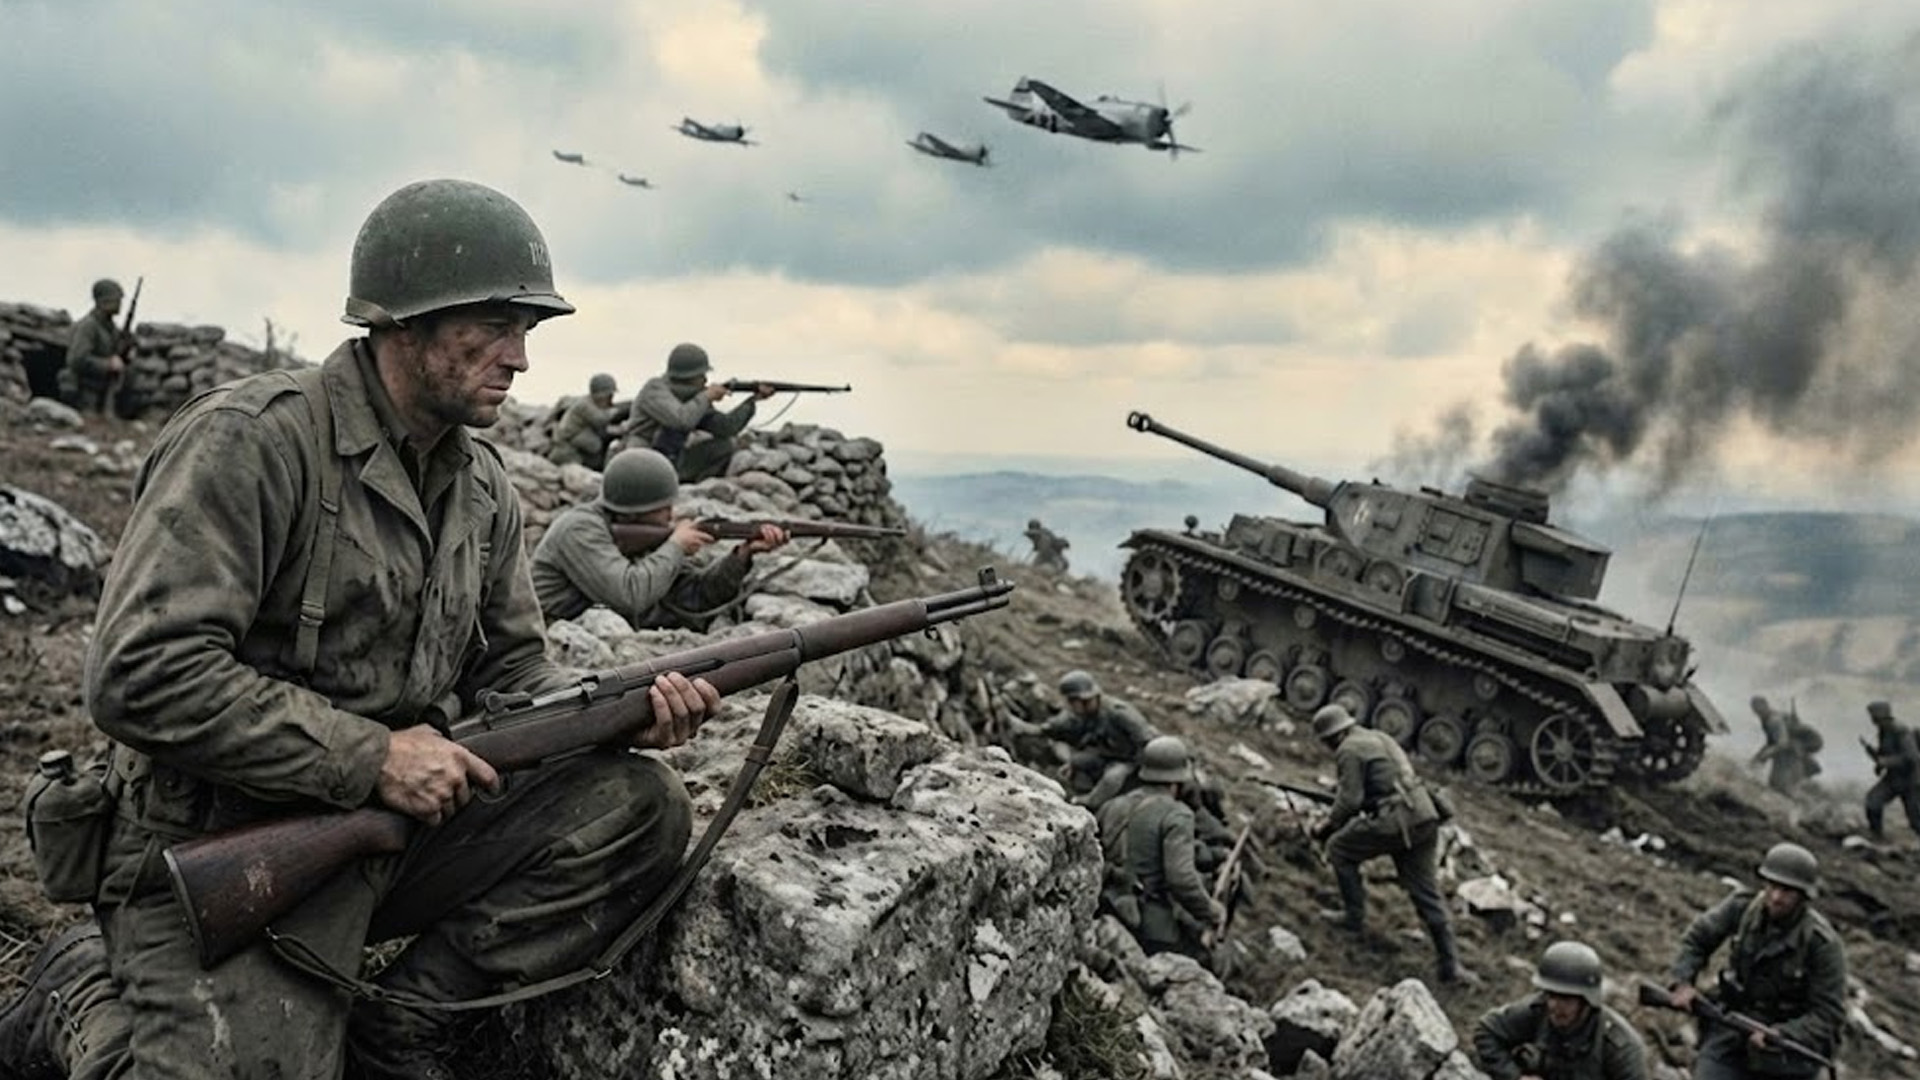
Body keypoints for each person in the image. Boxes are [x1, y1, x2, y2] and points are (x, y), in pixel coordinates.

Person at [0, 178, 727, 1080]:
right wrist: (373, 758)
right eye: (495, 326)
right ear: (403, 323)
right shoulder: (255, 444)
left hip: (393, 832)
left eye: (527, 332)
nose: (520, 359)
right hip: (217, 846)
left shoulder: (483, 487)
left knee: (638, 810)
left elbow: (515, 672)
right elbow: (141, 673)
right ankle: (81, 994)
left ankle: (405, 1024)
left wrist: (625, 709)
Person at [530, 446, 789, 631]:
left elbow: (696, 597)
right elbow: (629, 596)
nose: (672, 514)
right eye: (664, 507)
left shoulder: (639, 534)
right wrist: (676, 547)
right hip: (545, 633)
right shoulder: (579, 529)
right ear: (636, 511)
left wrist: (742, 555)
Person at [1308, 703, 1476, 986]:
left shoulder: (1348, 749)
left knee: (1338, 849)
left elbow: (1350, 801)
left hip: (1395, 822)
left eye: (1327, 742)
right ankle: (1451, 967)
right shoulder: (1379, 737)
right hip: (1424, 816)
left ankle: (1353, 917)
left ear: (1334, 736)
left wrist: (1325, 827)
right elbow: (1382, 782)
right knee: (1427, 894)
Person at [1664, 842, 1846, 1079]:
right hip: (1732, 1029)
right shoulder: (1742, 908)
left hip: (1786, 1054)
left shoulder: (1822, 945)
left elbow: (1828, 1015)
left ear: (1803, 896)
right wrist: (1683, 982)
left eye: (1787, 891)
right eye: (1772, 886)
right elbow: (1697, 938)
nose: (1776, 897)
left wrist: (1783, 1034)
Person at [1094, 736, 1227, 966]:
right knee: (1205, 961)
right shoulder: (1177, 814)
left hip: (1106, 911)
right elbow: (1181, 880)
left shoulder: (1112, 805)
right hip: (1151, 929)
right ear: (1179, 780)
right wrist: (1212, 911)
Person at [1473, 940, 1649, 1080]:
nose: (1554, 1006)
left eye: (1566, 998)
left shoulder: (1621, 1048)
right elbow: (1486, 1031)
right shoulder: (1538, 1010)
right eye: (1551, 995)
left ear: (1586, 1001)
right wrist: (1515, 1076)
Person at [624, 343, 773, 482]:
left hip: (673, 458)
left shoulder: (695, 399)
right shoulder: (654, 389)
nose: (705, 379)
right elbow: (681, 420)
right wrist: (706, 396)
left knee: (724, 446)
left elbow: (725, 427)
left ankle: (693, 488)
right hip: (642, 457)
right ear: (689, 376)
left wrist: (752, 401)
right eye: (701, 375)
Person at [1015, 669, 1159, 810]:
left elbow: (1146, 739)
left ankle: (1090, 803)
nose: (1072, 706)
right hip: (1107, 754)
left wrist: (1141, 769)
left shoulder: (1118, 713)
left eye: (1074, 702)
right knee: (1077, 760)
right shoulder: (1085, 714)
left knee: (1112, 778)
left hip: (1130, 759)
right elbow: (1062, 725)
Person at [60, 278, 128, 415]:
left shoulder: (111, 328)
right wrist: (107, 365)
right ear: (104, 301)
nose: (120, 304)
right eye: (116, 299)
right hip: (85, 392)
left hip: (102, 391)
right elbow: (76, 360)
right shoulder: (89, 326)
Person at [1863, 699, 1920, 840]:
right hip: (1893, 779)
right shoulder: (1884, 731)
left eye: (1874, 717)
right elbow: (1886, 754)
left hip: (1911, 781)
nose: (1873, 721)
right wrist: (1877, 760)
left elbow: (1912, 757)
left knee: (1916, 820)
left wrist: (1886, 762)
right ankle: (1877, 835)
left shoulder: (1900, 730)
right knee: (1872, 802)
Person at [546, 371, 626, 470]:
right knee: (595, 444)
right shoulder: (585, 405)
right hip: (569, 442)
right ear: (600, 394)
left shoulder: (590, 403)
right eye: (609, 395)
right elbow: (601, 420)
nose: (610, 399)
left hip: (573, 438)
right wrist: (619, 413)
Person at [1748, 696, 1822, 798]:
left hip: (1794, 750)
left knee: (1782, 787)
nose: (1757, 712)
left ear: (1765, 705)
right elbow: (1772, 742)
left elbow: (1782, 743)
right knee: (1778, 784)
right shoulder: (1771, 717)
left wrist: (1765, 755)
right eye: (1755, 709)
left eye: (1759, 708)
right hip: (1794, 748)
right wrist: (1758, 757)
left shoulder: (1773, 720)